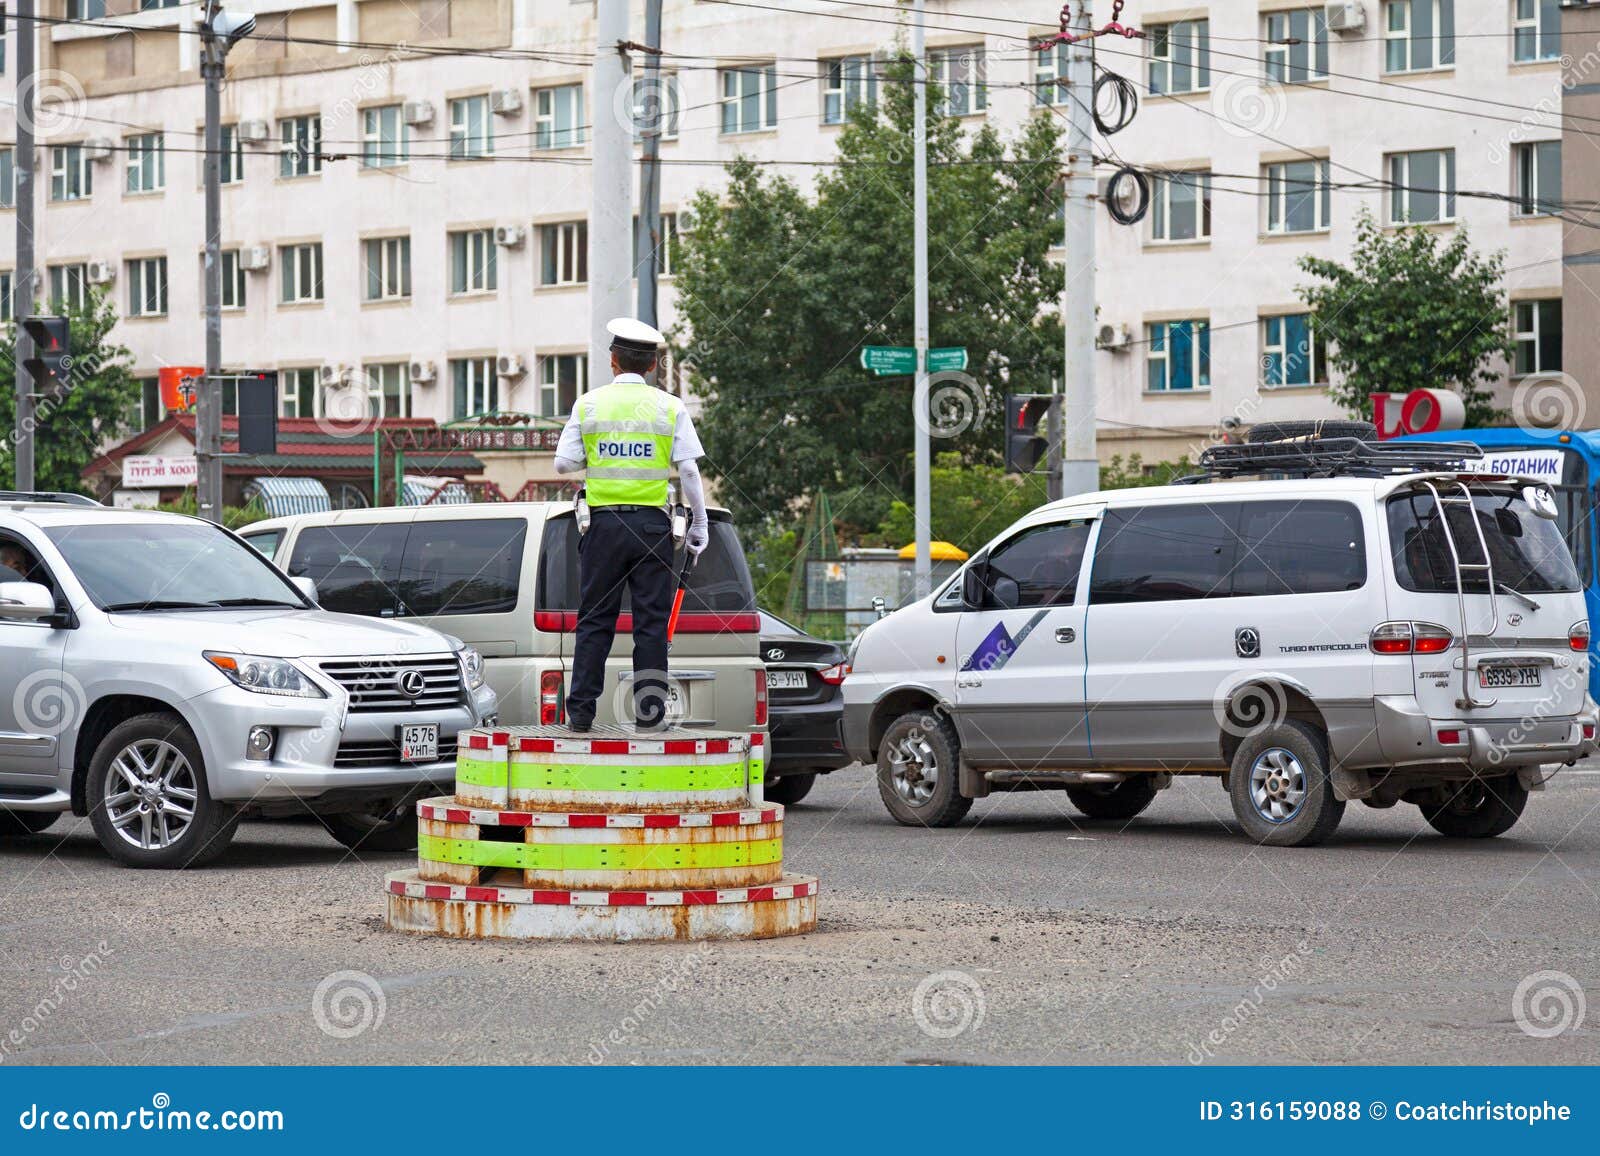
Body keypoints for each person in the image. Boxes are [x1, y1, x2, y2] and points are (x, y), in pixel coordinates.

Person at [552, 318, 708, 732]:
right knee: (651, 626)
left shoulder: (588, 404)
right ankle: (650, 716)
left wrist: (599, 456)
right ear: (654, 364)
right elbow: (689, 472)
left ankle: (581, 715)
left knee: (595, 621)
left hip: (603, 527)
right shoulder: (670, 406)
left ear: (613, 361)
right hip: (654, 531)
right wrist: (700, 524)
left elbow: (564, 463)